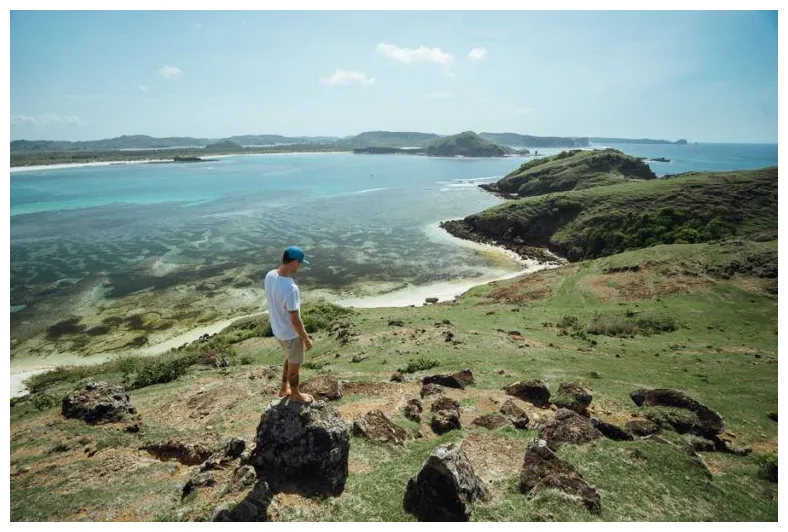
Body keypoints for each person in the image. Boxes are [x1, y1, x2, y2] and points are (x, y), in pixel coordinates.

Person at [263, 245, 314, 403]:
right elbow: (295, 319)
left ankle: (284, 388)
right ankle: (295, 395)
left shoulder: (270, 275)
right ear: (293, 263)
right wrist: (305, 338)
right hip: (290, 333)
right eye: (299, 263)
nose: (300, 266)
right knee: (295, 365)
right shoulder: (291, 288)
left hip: (277, 330)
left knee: (289, 358)